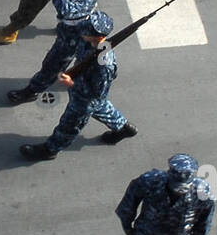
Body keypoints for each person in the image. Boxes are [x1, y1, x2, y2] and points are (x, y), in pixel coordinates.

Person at [20, 9, 137, 160]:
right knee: (101, 107)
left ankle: (50, 150)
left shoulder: (104, 64)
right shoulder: (88, 41)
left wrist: (72, 83)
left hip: (84, 99)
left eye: (85, 31)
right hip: (82, 89)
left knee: (69, 125)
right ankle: (123, 128)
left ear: (98, 36)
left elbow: (97, 93)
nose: (82, 32)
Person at [7, 0, 104, 103]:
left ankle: (32, 91)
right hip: (69, 28)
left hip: (74, 34)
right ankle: (77, 76)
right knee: (82, 62)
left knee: (52, 64)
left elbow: (65, 10)